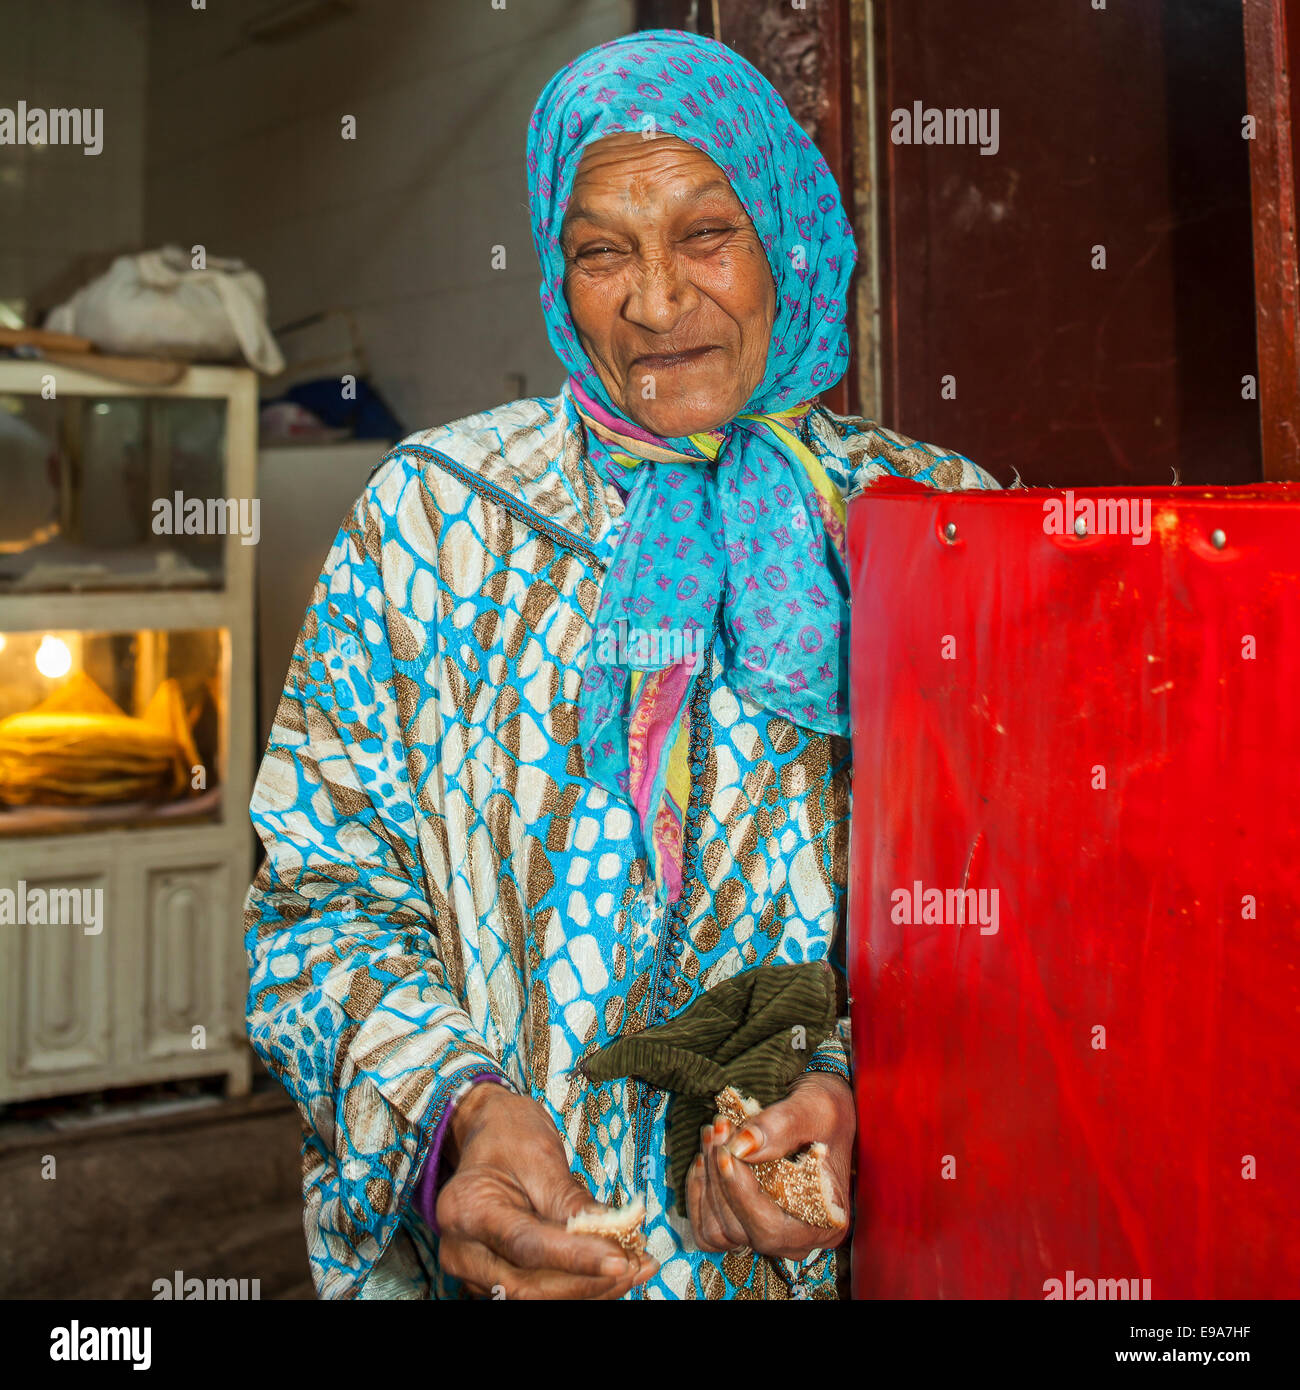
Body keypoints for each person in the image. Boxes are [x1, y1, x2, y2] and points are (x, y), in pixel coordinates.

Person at [244, 27, 997, 1302]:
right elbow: (318, 899)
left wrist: (862, 1093)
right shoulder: (436, 523)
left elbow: (1019, 910)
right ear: (557, 265)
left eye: (706, 235)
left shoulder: (937, 526)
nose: (652, 302)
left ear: (787, 237)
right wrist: (456, 1121)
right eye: (602, 250)